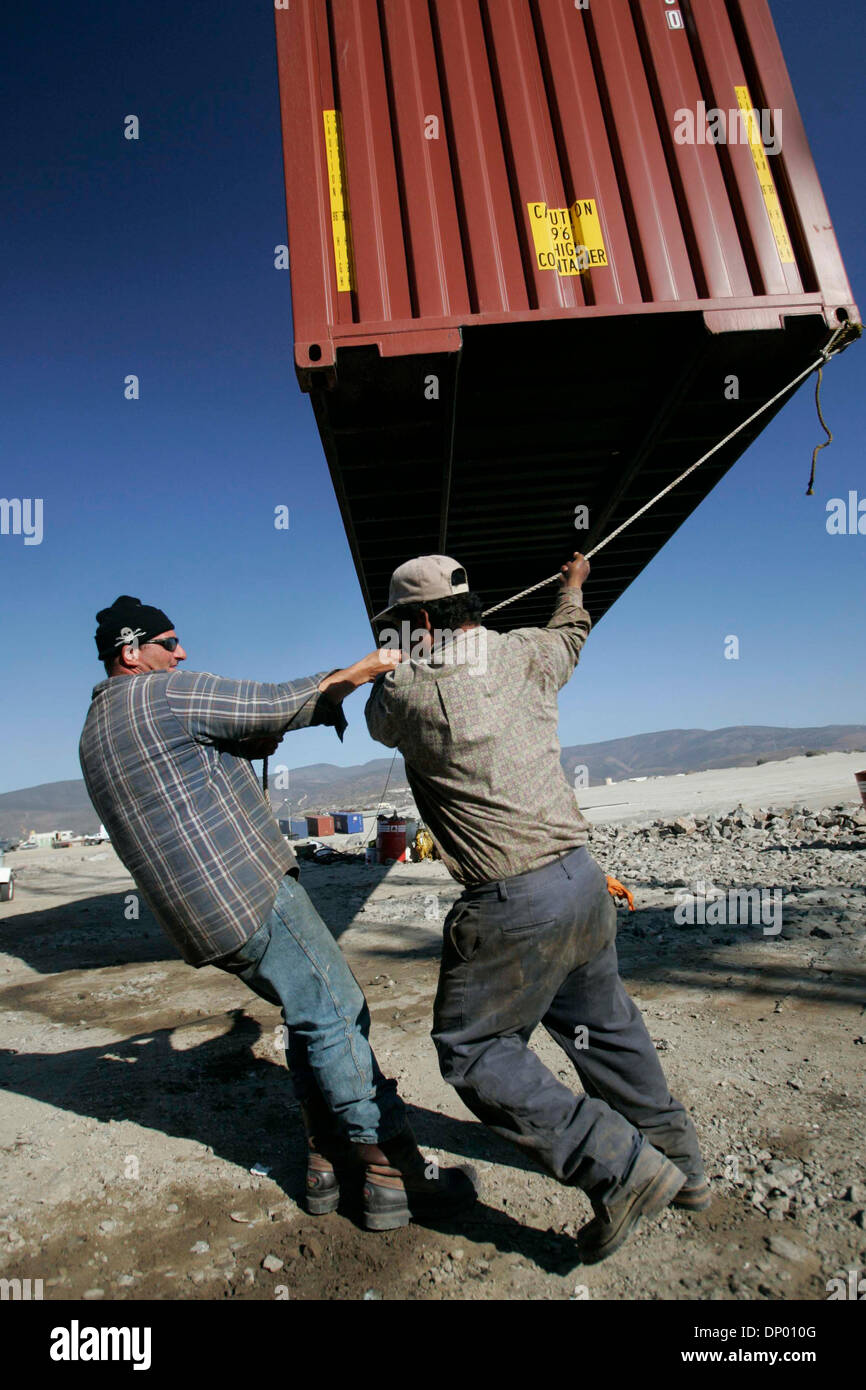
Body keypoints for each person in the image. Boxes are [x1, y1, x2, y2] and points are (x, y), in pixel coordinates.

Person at [79, 594, 475, 1231]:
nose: (181, 654)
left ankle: (324, 1164)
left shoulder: (96, 729)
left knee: (305, 1011)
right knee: (337, 1008)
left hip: (199, 921)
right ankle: (388, 1169)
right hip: (248, 890)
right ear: (132, 652)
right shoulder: (163, 694)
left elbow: (197, 767)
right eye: (169, 643)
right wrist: (360, 671)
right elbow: (271, 702)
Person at [365, 555, 708, 1263]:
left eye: (402, 622)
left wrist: (390, 656)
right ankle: (683, 1166)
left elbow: (375, 718)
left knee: (476, 1051)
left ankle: (622, 1170)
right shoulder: (526, 653)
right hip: (580, 880)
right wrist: (573, 585)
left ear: (421, 621)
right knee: (605, 1025)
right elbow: (571, 633)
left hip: (512, 904)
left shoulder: (404, 692)